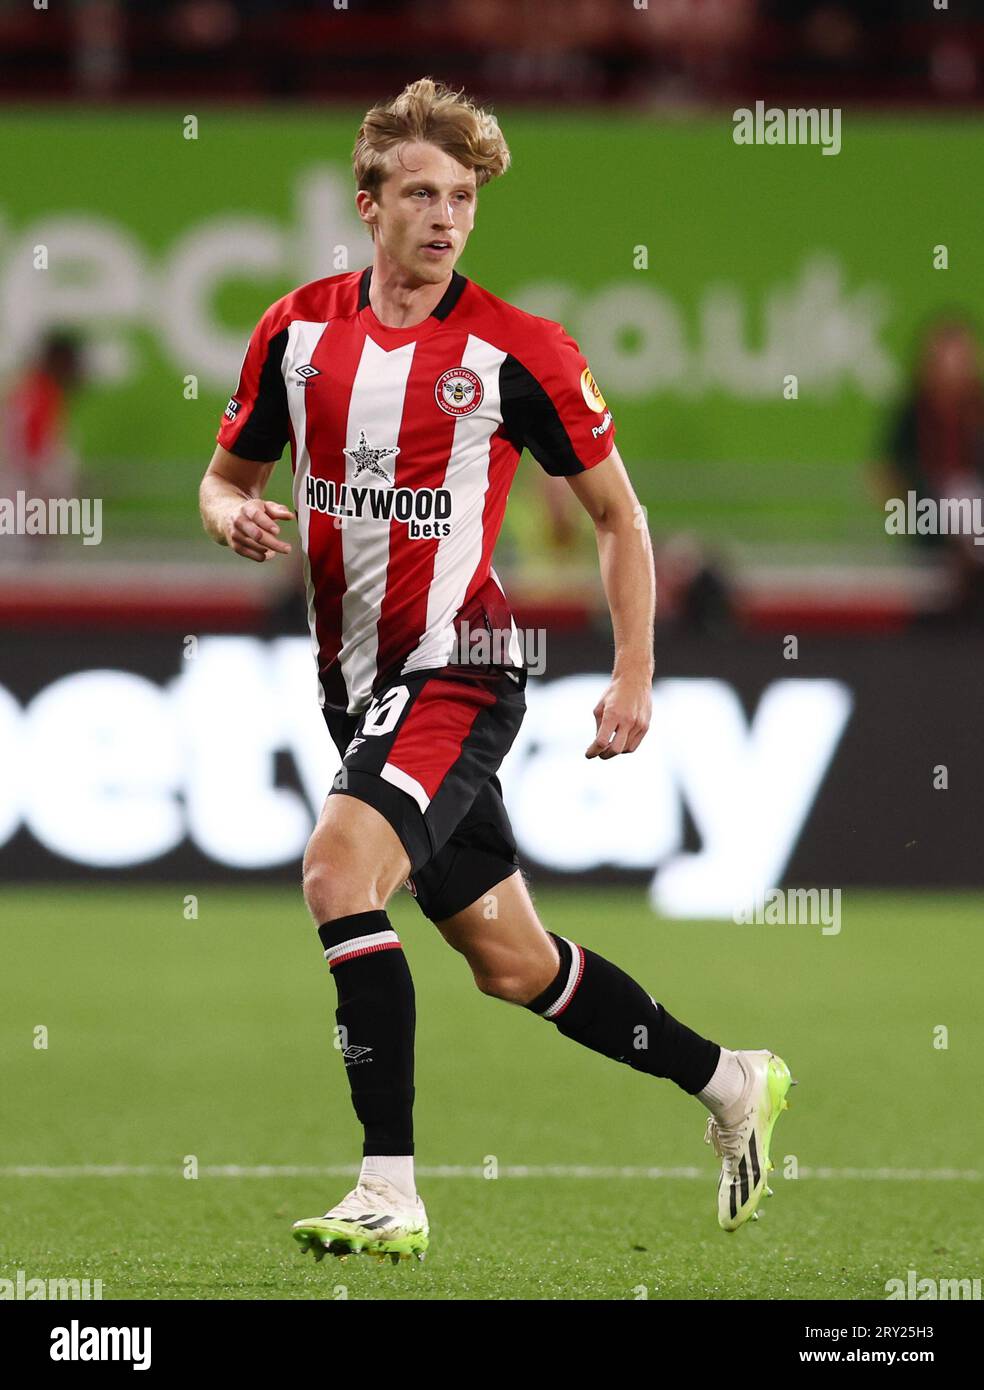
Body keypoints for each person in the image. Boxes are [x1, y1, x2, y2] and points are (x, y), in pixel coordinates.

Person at [198, 78, 792, 1262]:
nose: (445, 216)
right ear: (366, 205)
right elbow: (228, 475)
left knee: (335, 871)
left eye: (462, 198)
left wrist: (634, 673)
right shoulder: (296, 332)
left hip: (463, 668)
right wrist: (228, 513)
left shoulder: (519, 350)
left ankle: (388, 1185)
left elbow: (620, 520)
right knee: (511, 962)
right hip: (355, 685)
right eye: (420, 193)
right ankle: (730, 1081)